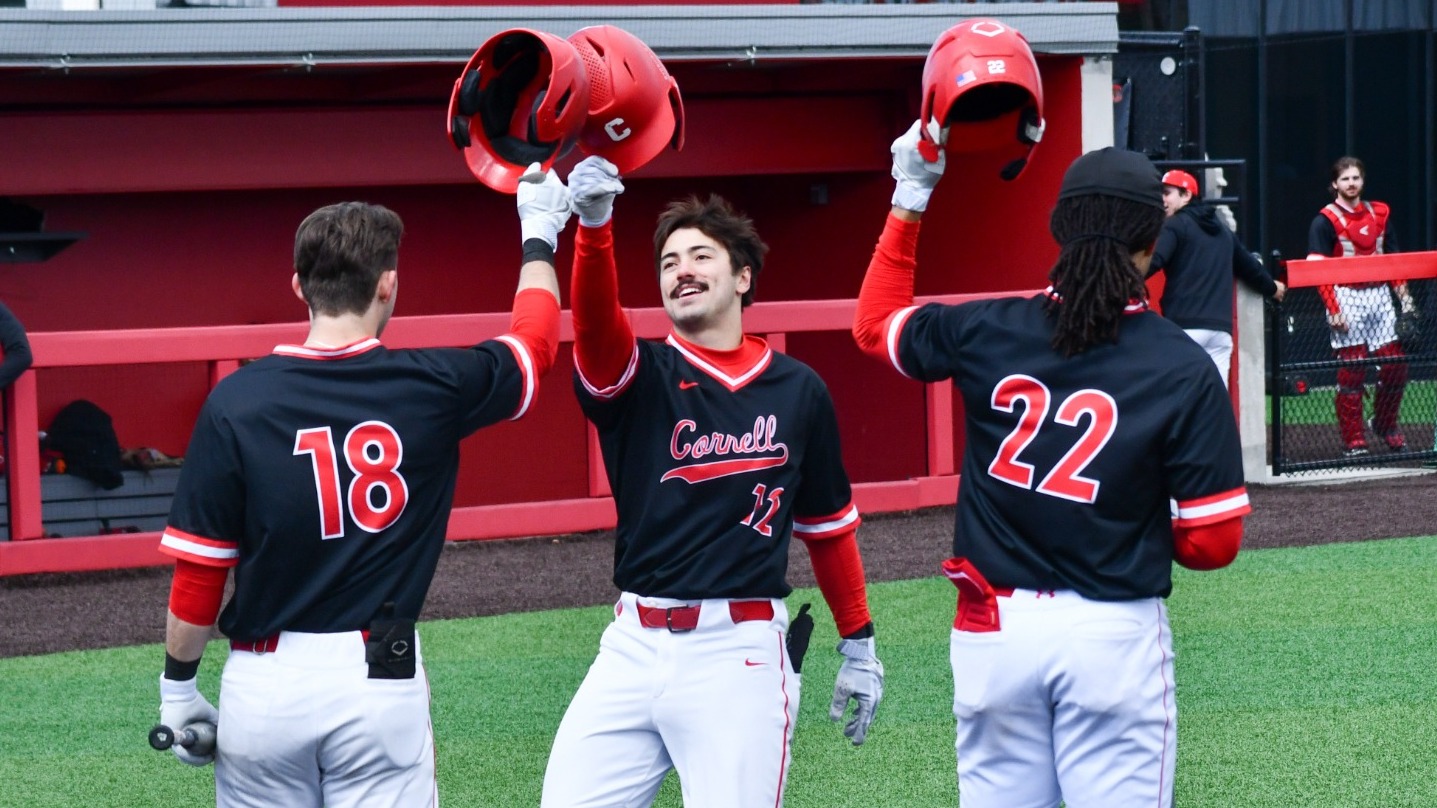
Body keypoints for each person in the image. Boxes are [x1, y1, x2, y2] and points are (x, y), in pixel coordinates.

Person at [853, 126, 1251, 808]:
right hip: (1110, 634)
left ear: (1059, 231)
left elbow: (873, 325)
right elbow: (1211, 544)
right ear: (1152, 244)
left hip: (993, 631)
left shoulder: (988, 328)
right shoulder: (1181, 364)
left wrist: (911, 193)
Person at [155, 175, 566, 807]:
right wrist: (539, 233)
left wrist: (178, 691)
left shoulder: (236, 400)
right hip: (379, 678)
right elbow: (535, 348)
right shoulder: (434, 383)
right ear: (387, 284)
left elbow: (200, 575)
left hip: (264, 686)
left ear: (299, 287)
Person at [540, 156, 884, 808]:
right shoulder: (642, 376)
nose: (682, 271)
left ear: (742, 276)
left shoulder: (797, 390)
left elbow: (827, 527)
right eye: (668, 263)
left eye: (700, 256)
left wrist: (858, 640)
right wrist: (594, 228)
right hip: (630, 646)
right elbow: (592, 326)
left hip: (740, 653)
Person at [1307, 155, 1416, 456]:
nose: (1351, 183)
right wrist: (1333, 308)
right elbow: (1317, 269)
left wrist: (1405, 301)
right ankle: (1354, 439)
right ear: (1334, 184)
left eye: (1356, 178)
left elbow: (1394, 261)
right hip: (1345, 294)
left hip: (1380, 293)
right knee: (1352, 367)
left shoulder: (1379, 213)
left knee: (1395, 364)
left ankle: (1384, 424)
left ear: (1363, 180)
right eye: (1345, 179)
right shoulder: (1324, 220)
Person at [1147, 168, 1286, 387]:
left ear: (1186, 195)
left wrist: (1121, 280)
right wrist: (1272, 288)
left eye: (1167, 193)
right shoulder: (1222, 231)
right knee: (1215, 401)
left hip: (1185, 327)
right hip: (1220, 331)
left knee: (1181, 397)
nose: (1162, 199)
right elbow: (1249, 267)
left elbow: (1154, 261)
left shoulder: (1175, 224)